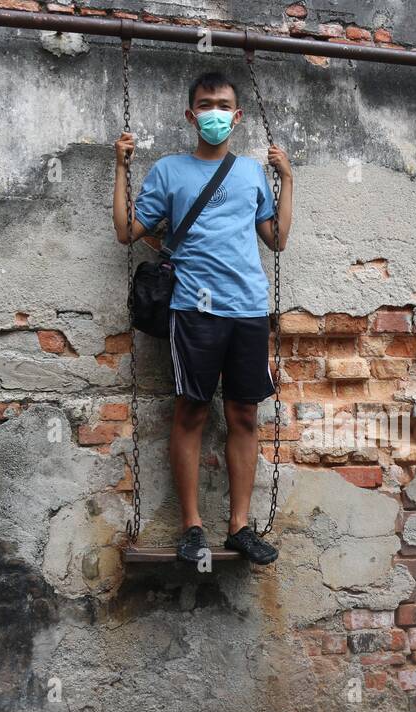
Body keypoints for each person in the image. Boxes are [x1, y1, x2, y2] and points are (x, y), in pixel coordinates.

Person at [113, 71, 293, 565]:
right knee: (191, 412)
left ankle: (238, 525)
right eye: (205, 104)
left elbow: (275, 239)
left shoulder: (253, 173)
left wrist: (288, 180)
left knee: (244, 414)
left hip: (249, 309)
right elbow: (128, 231)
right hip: (194, 307)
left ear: (237, 116)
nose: (215, 112)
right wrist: (121, 168)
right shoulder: (170, 170)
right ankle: (192, 526)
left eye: (224, 105)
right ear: (192, 114)